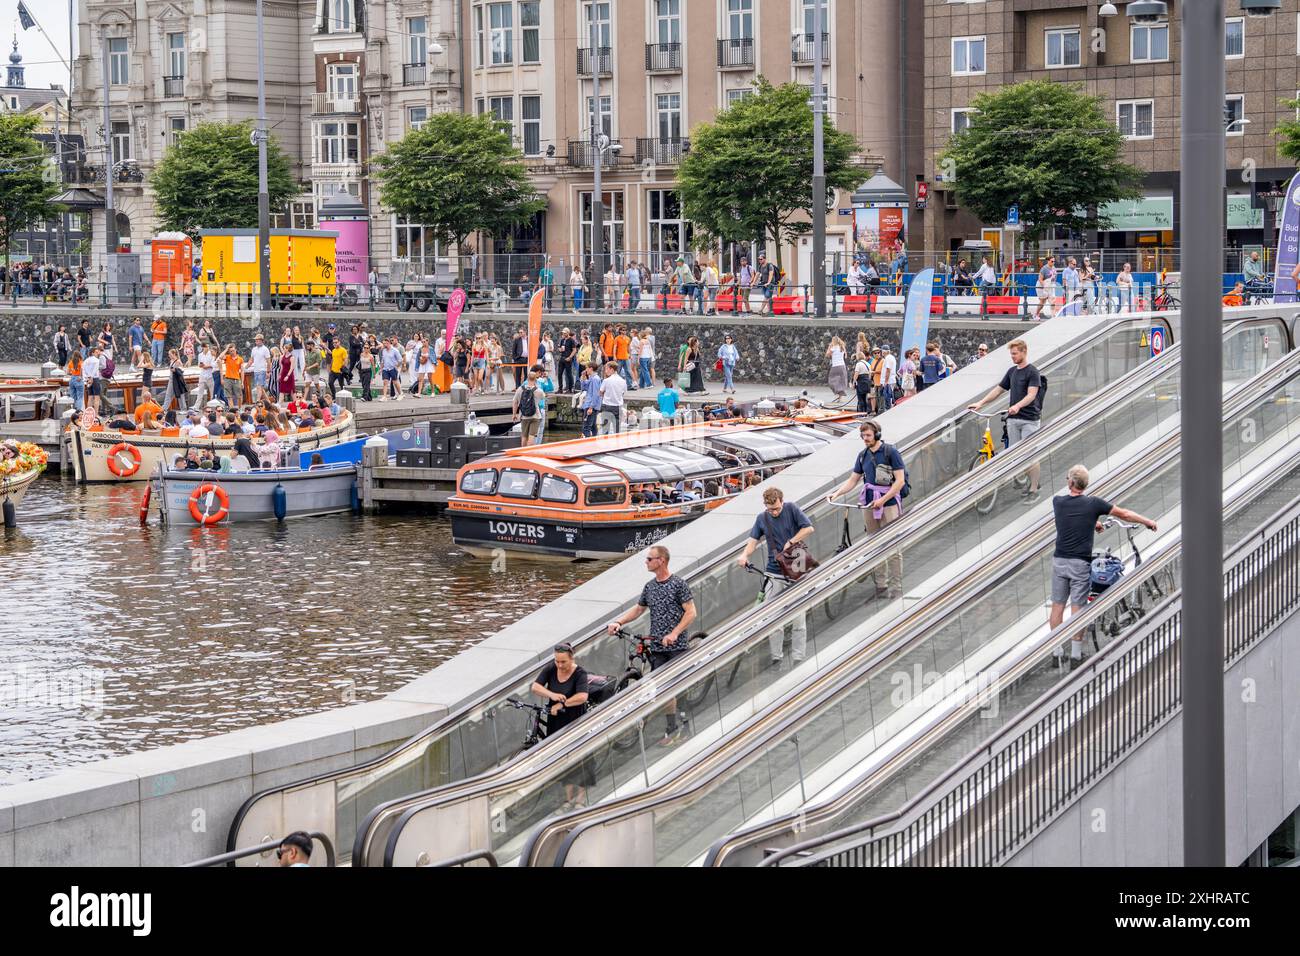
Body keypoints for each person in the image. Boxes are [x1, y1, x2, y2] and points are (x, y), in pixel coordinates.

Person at [1051, 465, 1158, 664]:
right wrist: (1148, 521)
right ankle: (1075, 655)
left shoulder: (1058, 502)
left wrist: (1093, 522)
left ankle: (1056, 654)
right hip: (1079, 564)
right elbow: (1124, 514)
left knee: (1057, 607)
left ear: (1071, 482)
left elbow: (1070, 518)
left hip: (1059, 561)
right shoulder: (1093, 504)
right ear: (1085, 483)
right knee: (1077, 608)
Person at [605, 545, 699, 745]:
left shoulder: (678, 584)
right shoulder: (650, 586)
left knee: (677, 687)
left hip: (676, 646)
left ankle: (686, 727)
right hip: (657, 646)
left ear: (661, 560)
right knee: (663, 689)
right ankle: (672, 729)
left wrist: (674, 634)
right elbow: (638, 610)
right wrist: (618, 622)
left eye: (649, 559)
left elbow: (691, 612)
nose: (646, 562)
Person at [825, 420, 907, 598]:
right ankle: (881, 586)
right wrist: (836, 494)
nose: (865, 439)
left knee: (893, 545)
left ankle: (896, 587)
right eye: (863, 436)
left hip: (889, 503)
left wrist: (884, 499)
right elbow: (853, 480)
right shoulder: (862, 455)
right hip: (869, 503)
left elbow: (899, 481)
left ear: (877, 434)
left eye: (868, 435)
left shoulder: (890, 452)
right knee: (874, 544)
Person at [738, 488, 814, 666]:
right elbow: (752, 542)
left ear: (782, 501)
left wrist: (791, 541)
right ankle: (776, 658)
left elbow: (809, 528)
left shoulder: (792, 509)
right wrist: (744, 555)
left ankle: (798, 658)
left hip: (796, 567)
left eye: (777, 508)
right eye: (770, 509)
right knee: (774, 619)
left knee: (798, 619)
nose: (774, 512)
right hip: (774, 571)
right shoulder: (762, 518)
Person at [967, 338, 1043, 501]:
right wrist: (980, 403)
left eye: (1015, 354)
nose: (1013, 357)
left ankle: (1034, 489)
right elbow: (999, 390)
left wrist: (1018, 406)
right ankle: (1031, 482)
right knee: (1017, 455)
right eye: (1011, 354)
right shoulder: (1012, 372)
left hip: (1029, 419)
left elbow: (1032, 395)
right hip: (1013, 420)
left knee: (1030, 455)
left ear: (1024, 352)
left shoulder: (1032, 372)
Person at [530, 643, 593, 809]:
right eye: (557, 661)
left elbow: (582, 697)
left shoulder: (580, 673)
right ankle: (567, 798)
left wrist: (563, 704)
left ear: (571, 658)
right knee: (561, 756)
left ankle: (579, 798)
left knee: (579, 758)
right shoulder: (551, 668)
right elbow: (535, 687)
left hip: (575, 719)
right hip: (556, 719)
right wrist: (552, 695)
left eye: (563, 662)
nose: (559, 665)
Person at [513, 369, 546, 446]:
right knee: (531, 437)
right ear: (535, 379)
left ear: (527, 378)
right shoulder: (539, 390)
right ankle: (529, 454)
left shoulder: (520, 389)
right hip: (535, 416)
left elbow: (515, 402)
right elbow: (543, 397)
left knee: (524, 437)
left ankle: (523, 453)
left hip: (524, 416)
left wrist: (514, 414)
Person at [598, 361, 626, 433]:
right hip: (618, 406)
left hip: (607, 406)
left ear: (612, 369)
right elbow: (622, 393)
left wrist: (606, 394)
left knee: (605, 429)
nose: (605, 371)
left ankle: (606, 443)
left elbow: (600, 393)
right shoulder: (623, 381)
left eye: (606, 369)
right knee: (617, 429)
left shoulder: (606, 380)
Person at [578, 364, 602, 437]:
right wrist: (583, 377)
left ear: (591, 369)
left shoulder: (595, 379)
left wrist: (591, 407)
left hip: (590, 405)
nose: (585, 370)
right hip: (590, 405)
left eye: (587, 368)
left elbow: (596, 394)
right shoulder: (592, 378)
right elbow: (584, 387)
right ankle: (595, 441)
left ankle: (588, 444)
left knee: (586, 427)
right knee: (593, 426)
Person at [1033, 255, 1057, 320]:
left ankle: (1053, 315)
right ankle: (1036, 314)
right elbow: (1040, 279)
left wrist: (1053, 285)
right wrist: (1045, 286)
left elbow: (1054, 279)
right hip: (1042, 286)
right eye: (1052, 261)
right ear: (1048, 261)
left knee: (1052, 301)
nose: (1053, 262)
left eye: (1054, 261)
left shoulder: (1054, 268)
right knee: (1042, 302)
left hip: (1049, 285)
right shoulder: (1044, 268)